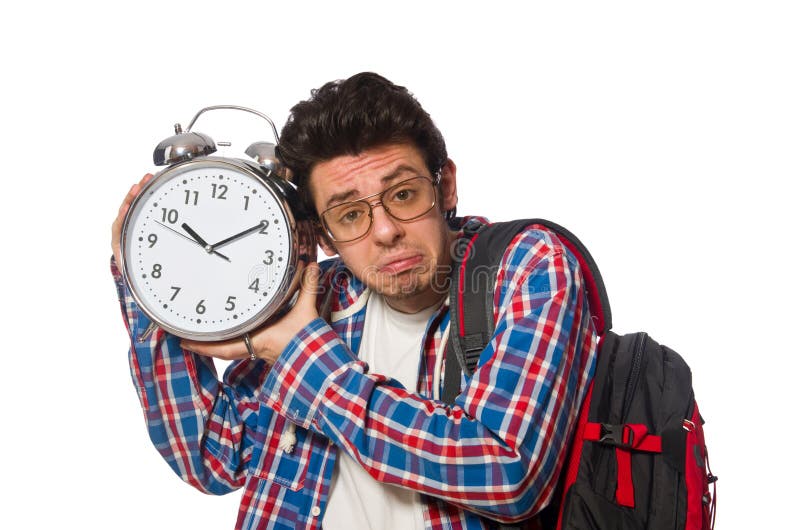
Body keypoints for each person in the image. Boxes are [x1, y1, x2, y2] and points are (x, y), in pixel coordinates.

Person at [110, 72, 597, 530]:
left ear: (445, 185)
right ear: (322, 234)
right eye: (349, 215)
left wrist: (302, 354)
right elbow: (214, 458)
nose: (385, 232)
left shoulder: (525, 268)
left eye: (404, 194)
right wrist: (144, 281)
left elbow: (508, 474)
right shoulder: (313, 296)